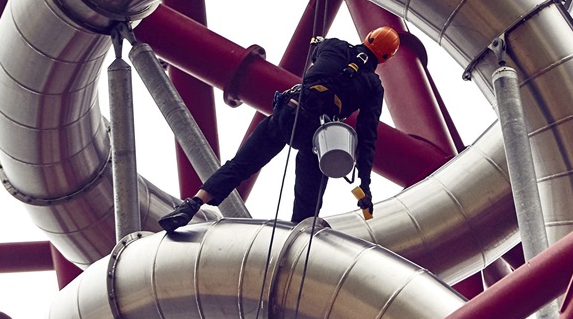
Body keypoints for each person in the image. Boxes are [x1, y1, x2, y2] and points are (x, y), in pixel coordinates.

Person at [159, 26, 401, 230]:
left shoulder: (335, 45)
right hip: (318, 135)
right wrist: (365, 185)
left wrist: (320, 46)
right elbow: (367, 136)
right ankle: (301, 232)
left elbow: (316, 54)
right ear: (385, 58)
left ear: (368, 38)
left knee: (240, 165)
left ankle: (193, 204)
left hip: (290, 112)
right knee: (308, 200)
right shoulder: (373, 86)